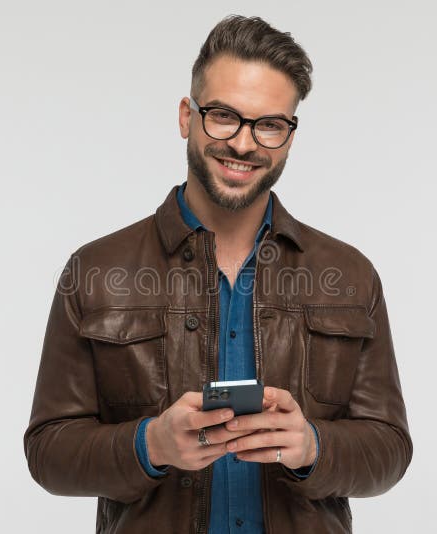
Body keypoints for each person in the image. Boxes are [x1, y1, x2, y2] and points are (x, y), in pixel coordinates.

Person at [23, 14, 412, 534]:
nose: (244, 144)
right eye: (224, 116)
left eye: (270, 124)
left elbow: (389, 447)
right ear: (187, 116)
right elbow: (48, 450)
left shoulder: (349, 274)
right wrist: (151, 444)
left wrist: (313, 446)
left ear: (290, 137)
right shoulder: (95, 272)